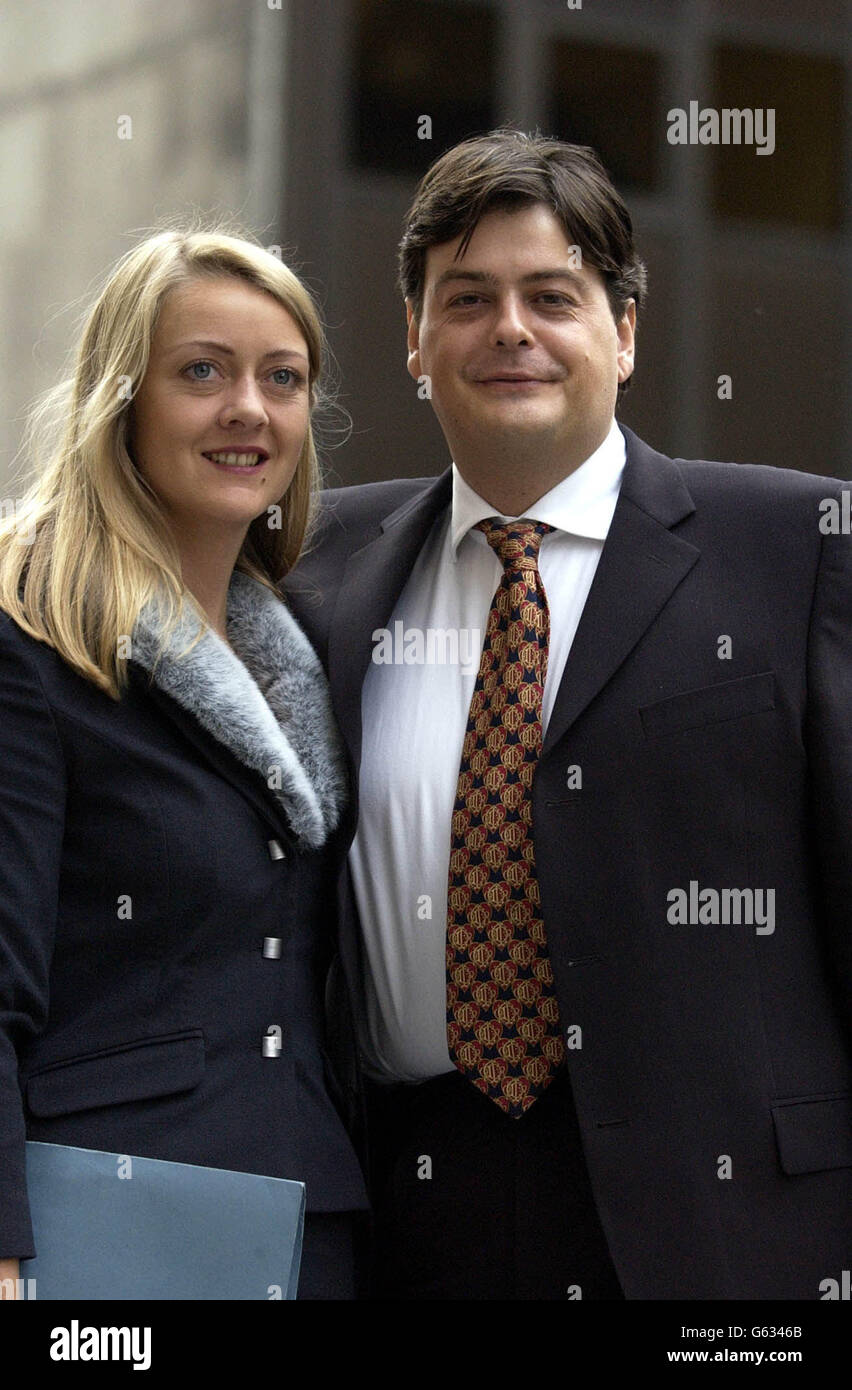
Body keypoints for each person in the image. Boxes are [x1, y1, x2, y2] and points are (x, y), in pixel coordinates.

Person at [281, 129, 852, 1300]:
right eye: (468, 298)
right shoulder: (313, 571)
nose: (511, 330)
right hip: (415, 1217)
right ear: (413, 338)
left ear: (625, 331)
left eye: (554, 295)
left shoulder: (800, 550)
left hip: (733, 1231)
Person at [0, 227, 369, 1300]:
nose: (248, 408)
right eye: (201, 370)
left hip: (313, 1227)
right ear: (123, 399)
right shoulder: (32, 644)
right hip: (107, 1231)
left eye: (282, 377)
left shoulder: (308, 661)